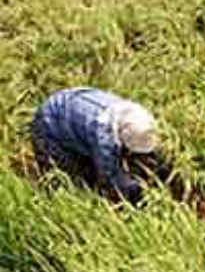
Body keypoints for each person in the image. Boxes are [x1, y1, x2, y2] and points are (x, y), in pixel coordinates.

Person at [31, 87, 162, 204]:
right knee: (68, 180)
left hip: (75, 105)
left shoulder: (137, 117)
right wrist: (139, 191)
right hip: (52, 123)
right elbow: (111, 178)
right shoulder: (104, 138)